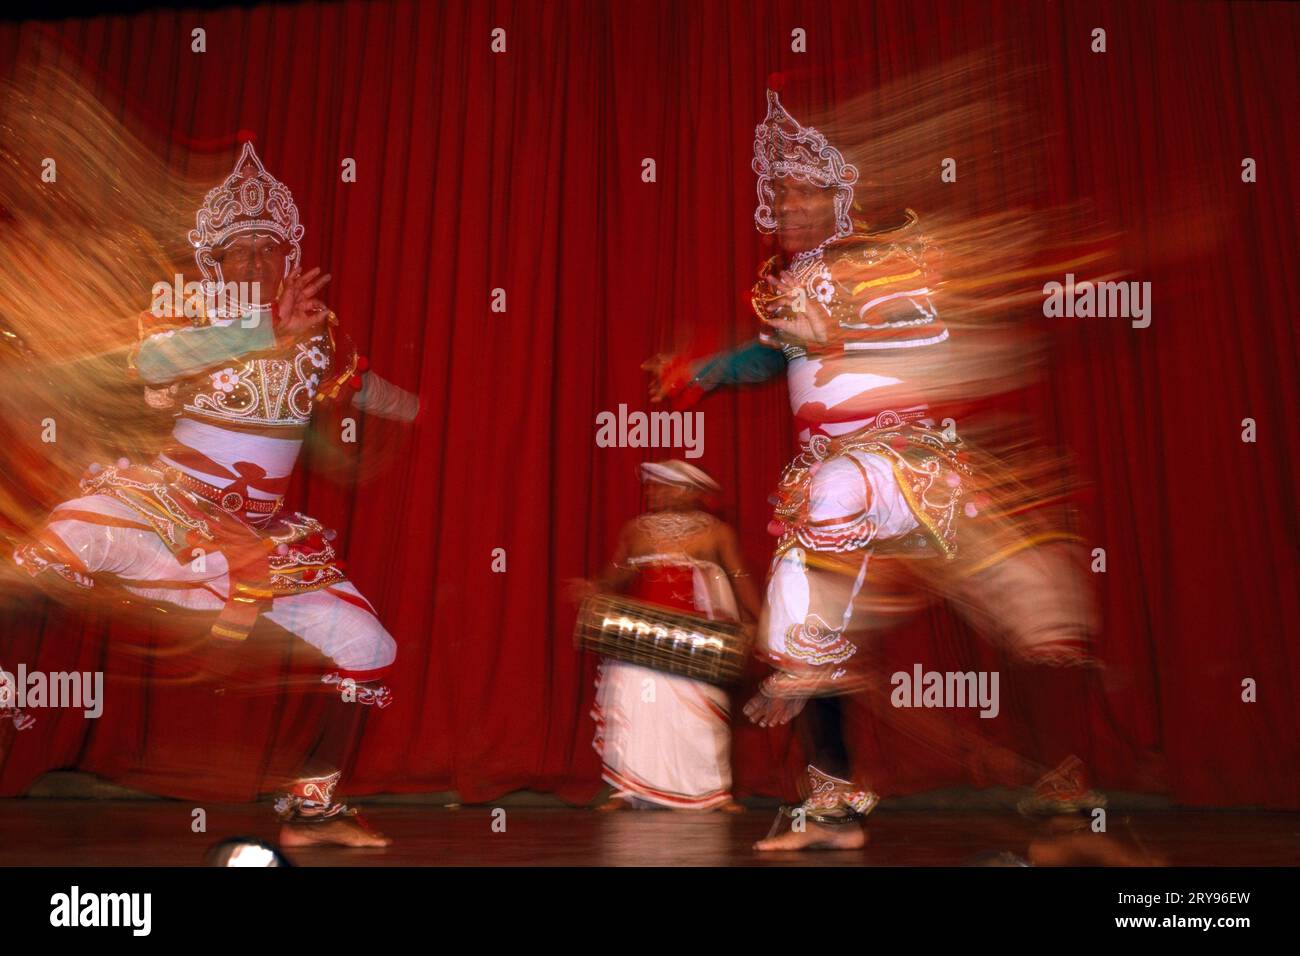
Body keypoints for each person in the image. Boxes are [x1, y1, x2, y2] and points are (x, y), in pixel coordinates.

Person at [650, 89, 1106, 851]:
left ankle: (1063, 777)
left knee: (1033, 612)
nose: (790, 205)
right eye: (783, 192)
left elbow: (929, 333)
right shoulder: (790, 283)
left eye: (807, 191)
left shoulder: (884, 266)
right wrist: (704, 369)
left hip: (905, 467)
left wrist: (841, 338)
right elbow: (776, 354)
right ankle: (833, 803)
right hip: (838, 470)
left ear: (840, 198)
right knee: (797, 612)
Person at [11, 142, 419, 847]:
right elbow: (152, 362)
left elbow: (362, 387)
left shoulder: (321, 331)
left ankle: (314, 808)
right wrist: (261, 330)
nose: (257, 260)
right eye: (241, 250)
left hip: (261, 540)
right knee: (54, 547)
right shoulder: (191, 321)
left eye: (269, 247)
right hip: (166, 511)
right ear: (217, 263)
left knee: (368, 643)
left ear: (287, 256)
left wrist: (424, 407)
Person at [585, 460, 761, 812]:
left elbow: (739, 578)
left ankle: (715, 792)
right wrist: (594, 588)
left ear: (691, 493)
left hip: (698, 641)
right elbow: (615, 576)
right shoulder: (636, 530)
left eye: (666, 487)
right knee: (638, 707)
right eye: (653, 486)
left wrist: (759, 621)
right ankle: (627, 789)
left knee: (701, 715)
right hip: (643, 638)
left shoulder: (716, 533)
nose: (656, 493)